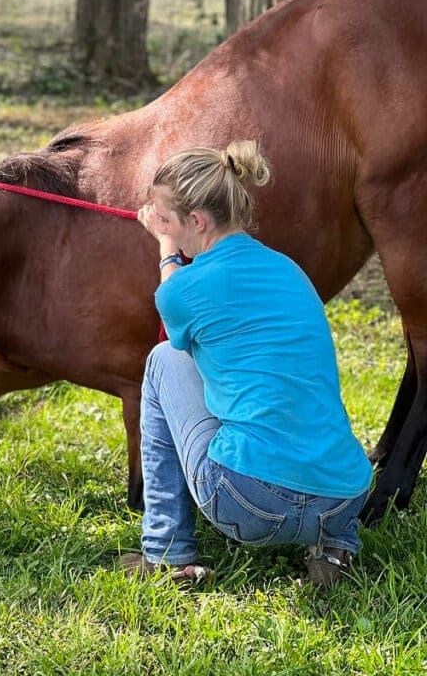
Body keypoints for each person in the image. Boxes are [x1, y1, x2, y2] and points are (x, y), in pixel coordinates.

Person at [120, 140, 372, 587]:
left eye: (161, 215)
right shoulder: (289, 269)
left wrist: (165, 249)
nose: (155, 220)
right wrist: (167, 229)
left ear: (195, 221)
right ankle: (333, 550)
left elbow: (176, 306)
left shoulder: (182, 289)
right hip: (344, 496)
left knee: (162, 360)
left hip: (251, 502)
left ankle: (167, 554)